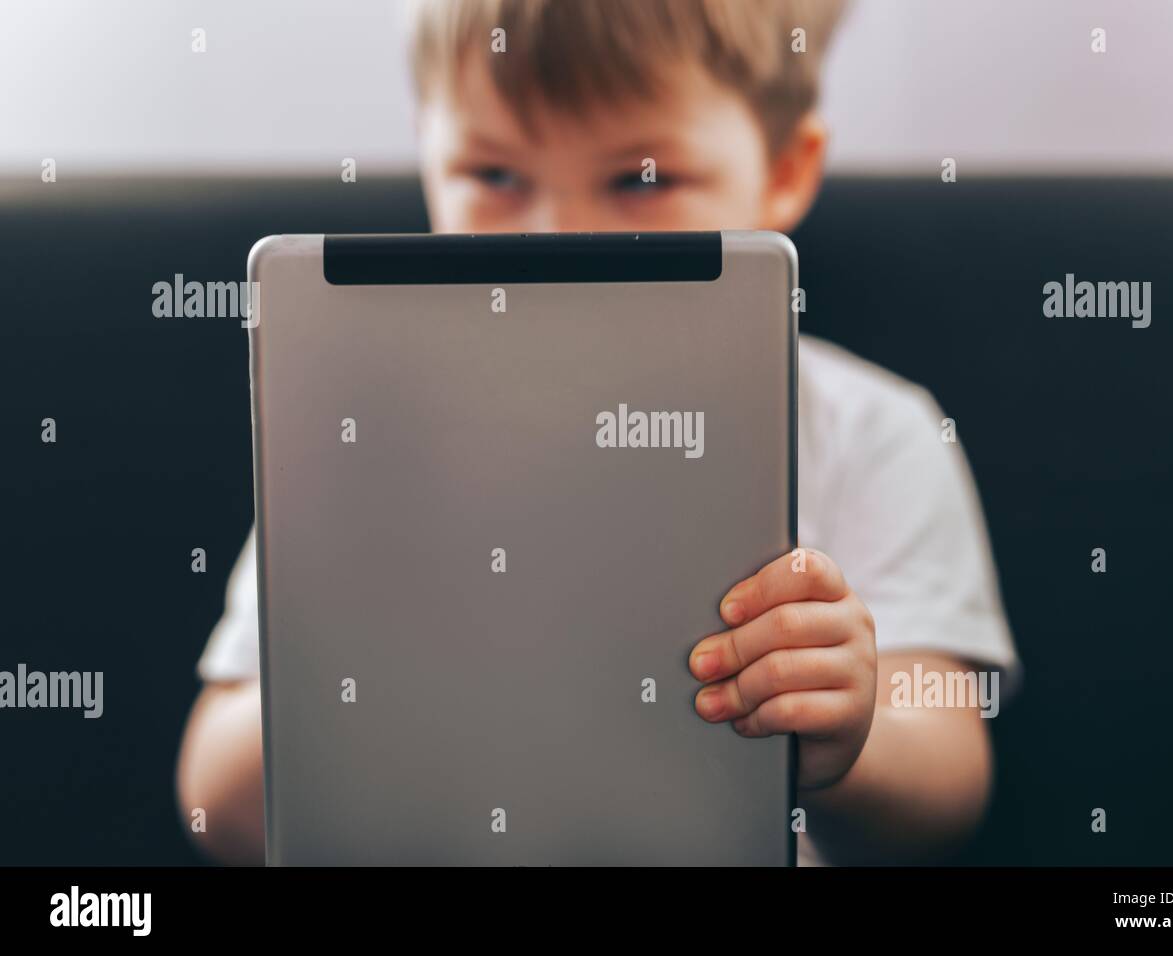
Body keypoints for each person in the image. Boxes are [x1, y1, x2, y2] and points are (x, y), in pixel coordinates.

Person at [177, 0, 1021, 866]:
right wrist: (346, 652)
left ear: (785, 170)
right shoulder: (361, 434)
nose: (556, 238)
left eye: (642, 179)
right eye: (494, 175)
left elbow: (951, 779)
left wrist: (848, 734)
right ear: (427, 152)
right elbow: (217, 796)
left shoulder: (867, 433)